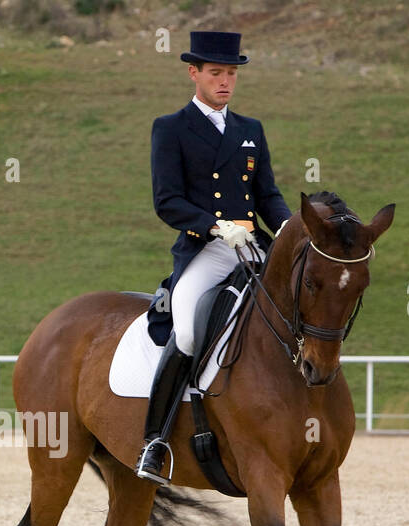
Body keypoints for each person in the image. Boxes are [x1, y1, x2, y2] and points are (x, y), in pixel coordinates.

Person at [136, 30, 293, 484]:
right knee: (186, 330)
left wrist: (284, 226)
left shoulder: (250, 130)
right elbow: (167, 200)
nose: (225, 82)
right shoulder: (171, 128)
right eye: (216, 73)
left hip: (253, 246)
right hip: (206, 248)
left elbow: (267, 193)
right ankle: (156, 441)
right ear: (195, 73)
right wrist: (212, 224)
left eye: (231, 74)